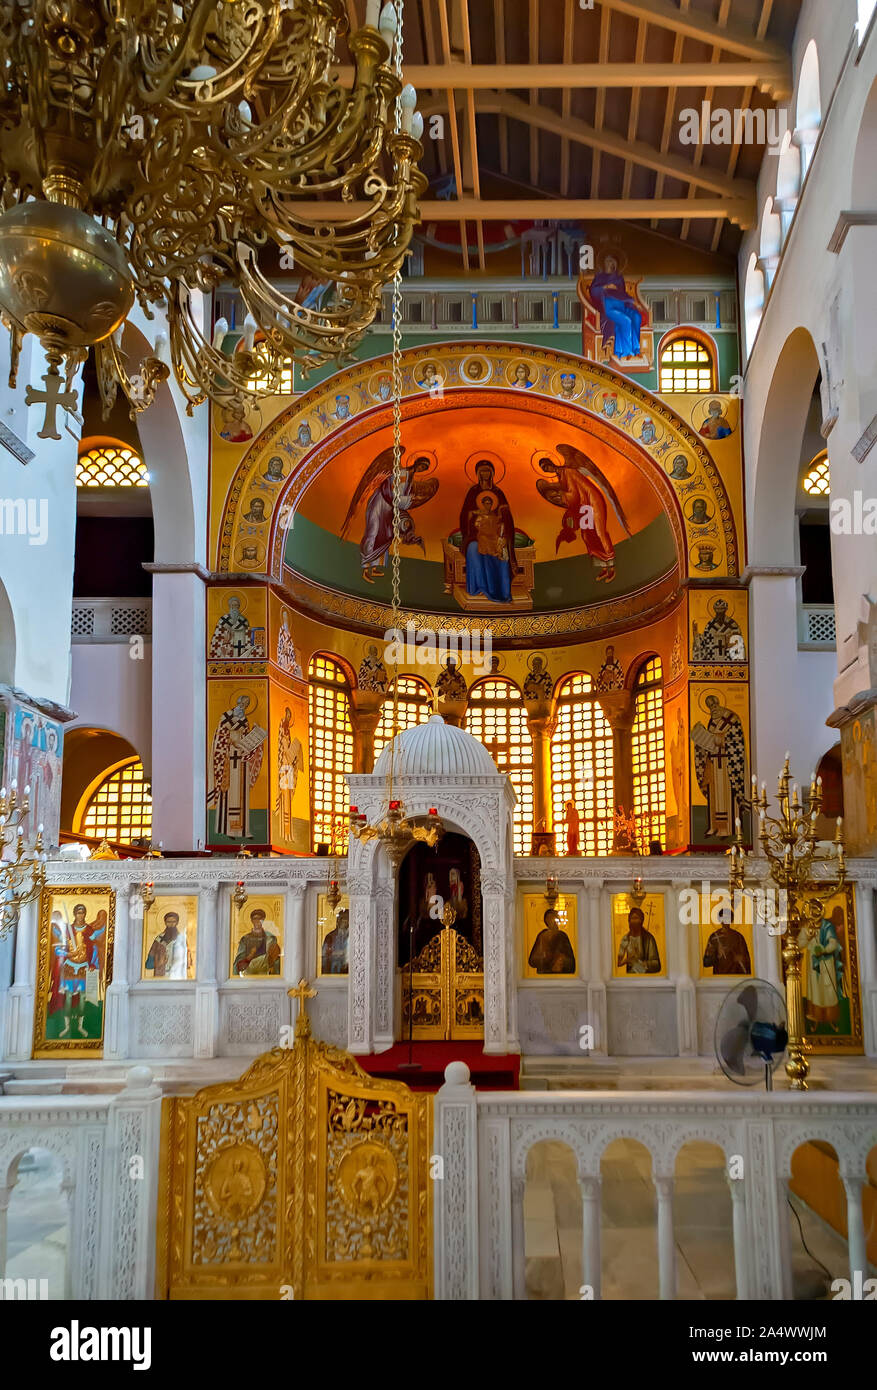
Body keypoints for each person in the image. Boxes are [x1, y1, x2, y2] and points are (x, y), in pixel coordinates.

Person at [536, 446, 631, 582]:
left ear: (551, 463)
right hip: (583, 506)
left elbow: (573, 494)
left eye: (546, 466)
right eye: (544, 469)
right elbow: (568, 493)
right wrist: (551, 491)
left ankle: (612, 567)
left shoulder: (567, 471)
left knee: (599, 532)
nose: (546, 469)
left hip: (592, 501)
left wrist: (561, 496)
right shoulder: (561, 476)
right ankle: (603, 568)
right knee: (587, 534)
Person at [458, 460, 518, 603]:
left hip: (496, 535)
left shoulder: (498, 493)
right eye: (482, 471)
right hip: (475, 535)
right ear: (478, 474)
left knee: (502, 553)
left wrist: (503, 533)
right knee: (473, 549)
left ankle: (502, 591)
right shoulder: (473, 492)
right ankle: (478, 587)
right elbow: (464, 514)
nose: (485, 474)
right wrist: (474, 514)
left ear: (492, 473)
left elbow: (506, 517)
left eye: (487, 471)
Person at [208, 694, 266, 838]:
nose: (245, 706)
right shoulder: (226, 716)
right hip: (227, 758)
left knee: (241, 794)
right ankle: (226, 828)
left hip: (241, 761)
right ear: (238, 702)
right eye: (244, 703)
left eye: (247, 704)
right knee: (227, 793)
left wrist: (254, 734)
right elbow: (220, 735)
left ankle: (242, 829)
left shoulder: (245, 720)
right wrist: (231, 741)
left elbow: (245, 738)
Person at [691, 694, 747, 838]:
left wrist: (719, 739)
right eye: (710, 706)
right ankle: (714, 826)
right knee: (714, 797)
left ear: (719, 703)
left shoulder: (732, 719)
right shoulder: (712, 721)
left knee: (727, 798)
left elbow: (737, 741)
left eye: (714, 705)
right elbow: (708, 741)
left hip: (728, 766)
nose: (713, 708)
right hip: (714, 764)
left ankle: (728, 828)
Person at [49, 902, 108, 1037]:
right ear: (75, 914)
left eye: (83, 913)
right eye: (78, 913)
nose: (80, 915)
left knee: (82, 998)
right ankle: (66, 1027)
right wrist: (68, 954)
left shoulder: (89, 930)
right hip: (69, 967)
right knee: (68, 998)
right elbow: (58, 950)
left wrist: (93, 964)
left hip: (83, 968)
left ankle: (80, 1026)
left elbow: (94, 948)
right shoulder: (68, 930)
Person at [797, 899, 846, 1030]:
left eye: (816, 910)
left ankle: (831, 1019)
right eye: (812, 910)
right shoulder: (807, 926)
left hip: (826, 962)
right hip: (813, 965)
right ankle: (815, 1019)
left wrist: (824, 950)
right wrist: (807, 938)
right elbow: (799, 944)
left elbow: (833, 943)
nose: (814, 913)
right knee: (815, 991)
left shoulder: (827, 926)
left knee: (828, 989)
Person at [587, 254, 642, 358]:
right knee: (626, 321)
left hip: (622, 305)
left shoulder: (618, 278)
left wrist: (633, 302)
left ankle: (635, 349)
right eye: (608, 261)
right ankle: (628, 352)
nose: (610, 263)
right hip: (607, 306)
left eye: (612, 261)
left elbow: (623, 294)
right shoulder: (599, 277)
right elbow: (593, 292)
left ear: (615, 264)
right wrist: (606, 287)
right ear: (603, 263)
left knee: (636, 317)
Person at [234, 907, 281, 976]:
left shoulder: (270, 938)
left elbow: (276, 957)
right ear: (251, 920)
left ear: (263, 920)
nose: (257, 921)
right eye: (255, 918)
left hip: (267, 973)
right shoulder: (245, 939)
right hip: (249, 972)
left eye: (260, 918)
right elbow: (239, 961)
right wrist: (250, 956)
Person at [702, 909, 751, 975]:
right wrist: (714, 955)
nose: (725, 920)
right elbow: (706, 963)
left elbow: (746, 961)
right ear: (719, 920)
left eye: (727, 918)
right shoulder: (714, 937)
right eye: (723, 918)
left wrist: (741, 958)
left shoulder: (738, 937)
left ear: (731, 919)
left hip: (736, 976)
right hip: (720, 976)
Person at [145, 910, 191, 979]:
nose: (171, 924)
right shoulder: (158, 940)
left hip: (177, 976)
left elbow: (188, 962)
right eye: (168, 922)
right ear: (165, 923)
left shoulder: (181, 939)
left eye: (174, 921)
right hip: (160, 976)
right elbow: (148, 965)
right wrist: (159, 962)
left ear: (177, 922)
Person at [528, 908, 576, 974]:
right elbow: (532, 961)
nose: (553, 922)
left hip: (560, 974)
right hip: (544, 974)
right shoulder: (542, 936)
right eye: (550, 919)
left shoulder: (562, 935)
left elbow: (570, 961)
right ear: (546, 921)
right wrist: (545, 957)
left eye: (555, 919)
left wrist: (561, 959)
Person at [209, 595, 257, 660]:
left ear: (239, 606)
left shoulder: (243, 621)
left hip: (242, 649)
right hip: (227, 650)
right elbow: (217, 637)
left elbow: (248, 636)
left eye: (236, 605)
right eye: (232, 605)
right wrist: (226, 637)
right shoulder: (223, 620)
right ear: (229, 606)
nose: (234, 607)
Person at [616, 907, 661, 974]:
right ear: (629, 921)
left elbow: (656, 964)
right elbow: (619, 963)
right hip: (631, 976)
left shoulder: (649, 939)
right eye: (632, 919)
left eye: (636, 918)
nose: (634, 921)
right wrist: (627, 960)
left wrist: (645, 964)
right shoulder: (626, 939)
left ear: (641, 920)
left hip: (645, 975)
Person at [321, 907, 349, 975]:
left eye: (347, 920)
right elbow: (324, 955)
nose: (345, 922)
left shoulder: (354, 936)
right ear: (338, 921)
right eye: (343, 919)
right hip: (334, 969)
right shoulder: (330, 937)